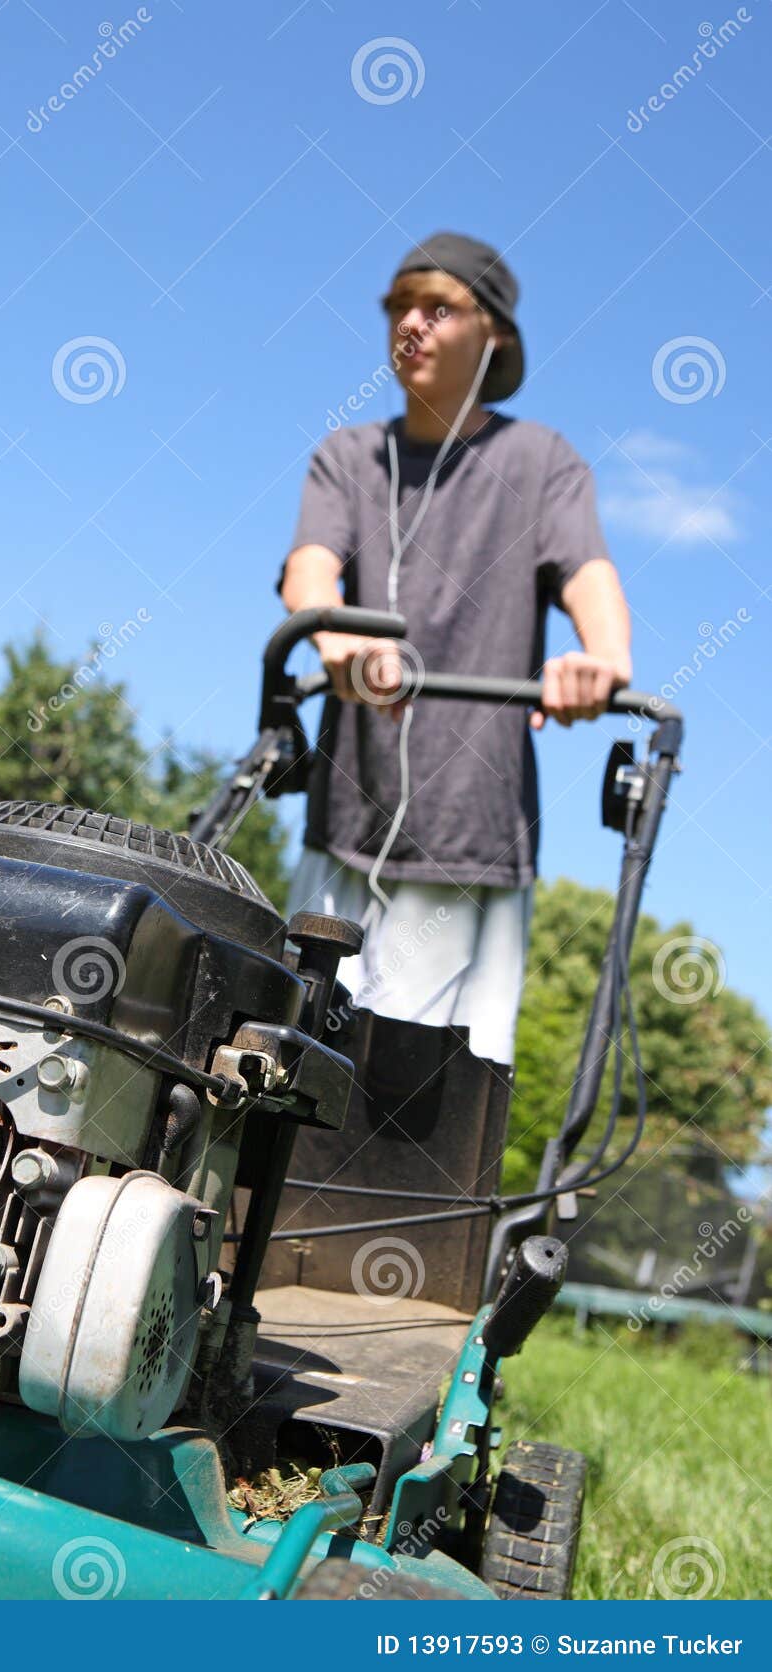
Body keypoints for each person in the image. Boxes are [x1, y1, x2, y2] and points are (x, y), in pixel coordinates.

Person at [277, 232, 632, 1066]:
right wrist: (337, 645)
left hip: (471, 841)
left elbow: (589, 579)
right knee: (285, 1066)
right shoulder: (348, 457)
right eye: (399, 306)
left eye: (439, 307)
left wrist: (603, 662)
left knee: (417, 1107)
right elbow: (309, 572)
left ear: (494, 333)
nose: (412, 324)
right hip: (341, 827)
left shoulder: (539, 461)